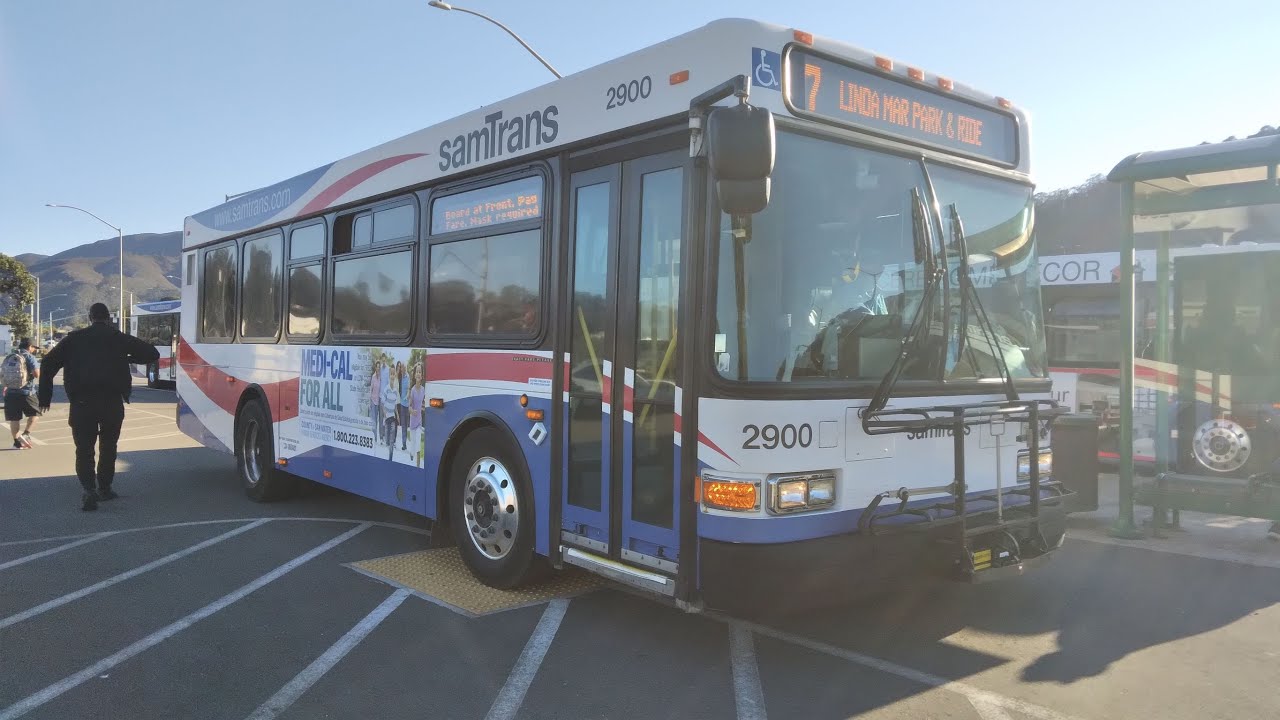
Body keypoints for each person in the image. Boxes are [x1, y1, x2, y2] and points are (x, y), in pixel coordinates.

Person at [37, 302, 160, 511]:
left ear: (90, 317)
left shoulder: (73, 339)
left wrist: (45, 398)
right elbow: (152, 353)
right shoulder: (118, 338)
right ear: (108, 318)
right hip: (111, 401)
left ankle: (88, 489)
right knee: (108, 447)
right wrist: (129, 357)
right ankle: (104, 488)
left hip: (82, 402)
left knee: (84, 449)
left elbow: (47, 364)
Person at [3, 337, 41, 449]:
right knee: (35, 414)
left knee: (14, 419)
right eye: (34, 347)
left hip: (10, 392)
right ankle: (26, 435)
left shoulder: (10, 356)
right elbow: (36, 374)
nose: (34, 350)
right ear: (30, 347)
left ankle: (16, 442)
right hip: (27, 392)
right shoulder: (30, 357)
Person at [408, 363, 426, 467]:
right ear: (414, 375)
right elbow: (410, 406)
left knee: (418, 443)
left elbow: (422, 402)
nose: (418, 374)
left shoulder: (423, 389)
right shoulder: (413, 390)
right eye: (417, 372)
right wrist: (412, 411)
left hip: (419, 421)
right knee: (413, 445)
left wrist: (422, 408)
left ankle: (418, 465)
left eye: (420, 372)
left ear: (422, 375)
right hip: (412, 421)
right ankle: (411, 453)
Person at [396, 360, 410, 454]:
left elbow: (409, 389)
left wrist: (407, 396)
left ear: (406, 368)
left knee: (406, 425)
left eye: (404, 368)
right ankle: (404, 444)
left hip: (407, 405)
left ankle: (405, 443)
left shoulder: (408, 377)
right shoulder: (400, 378)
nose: (402, 369)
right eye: (402, 368)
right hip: (401, 404)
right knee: (403, 424)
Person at [369, 360, 382, 443]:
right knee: (373, 420)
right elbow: (371, 389)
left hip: (379, 401)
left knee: (377, 420)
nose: (378, 368)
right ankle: (374, 438)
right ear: (375, 368)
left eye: (379, 367)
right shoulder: (373, 377)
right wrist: (369, 402)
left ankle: (376, 437)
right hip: (373, 401)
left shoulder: (380, 377)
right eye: (377, 367)